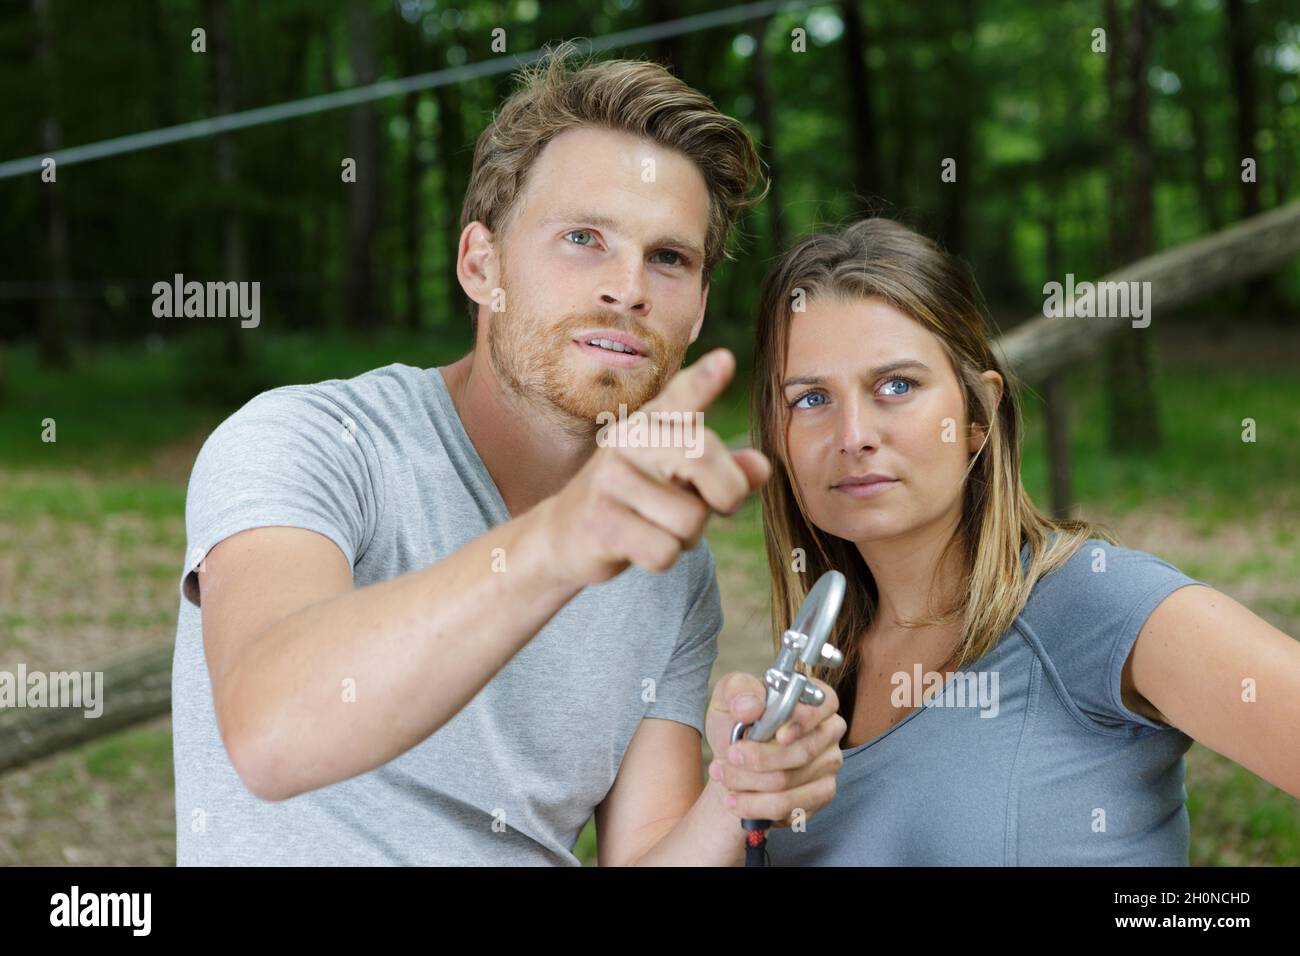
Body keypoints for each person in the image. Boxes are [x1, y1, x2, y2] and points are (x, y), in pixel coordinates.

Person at [171, 46, 846, 866]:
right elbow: (269, 732)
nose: (628, 286)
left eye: (668, 258)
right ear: (480, 264)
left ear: (700, 308)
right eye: (583, 238)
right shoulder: (305, 441)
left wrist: (737, 792)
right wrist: (558, 543)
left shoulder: (671, 568)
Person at [729, 217, 1300, 865]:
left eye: (897, 387)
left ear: (978, 415)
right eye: (810, 399)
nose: (853, 433)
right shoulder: (816, 671)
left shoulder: (1098, 603)